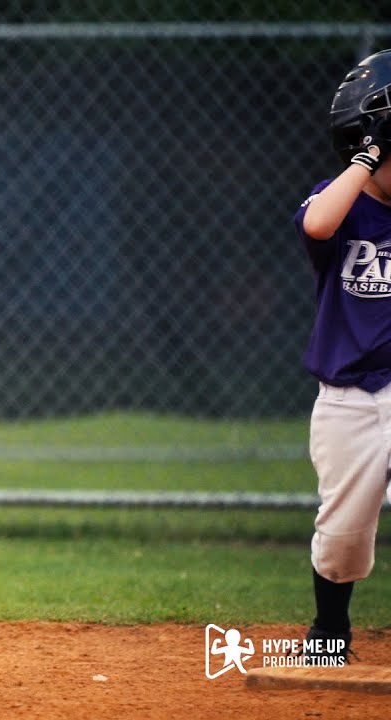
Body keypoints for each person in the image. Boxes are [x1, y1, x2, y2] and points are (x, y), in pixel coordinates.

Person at [293, 48, 391, 666]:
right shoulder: (342, 204)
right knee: (345, 536)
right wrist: (370, 154)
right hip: (348, 400)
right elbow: (318, 225)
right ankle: (329, 636)